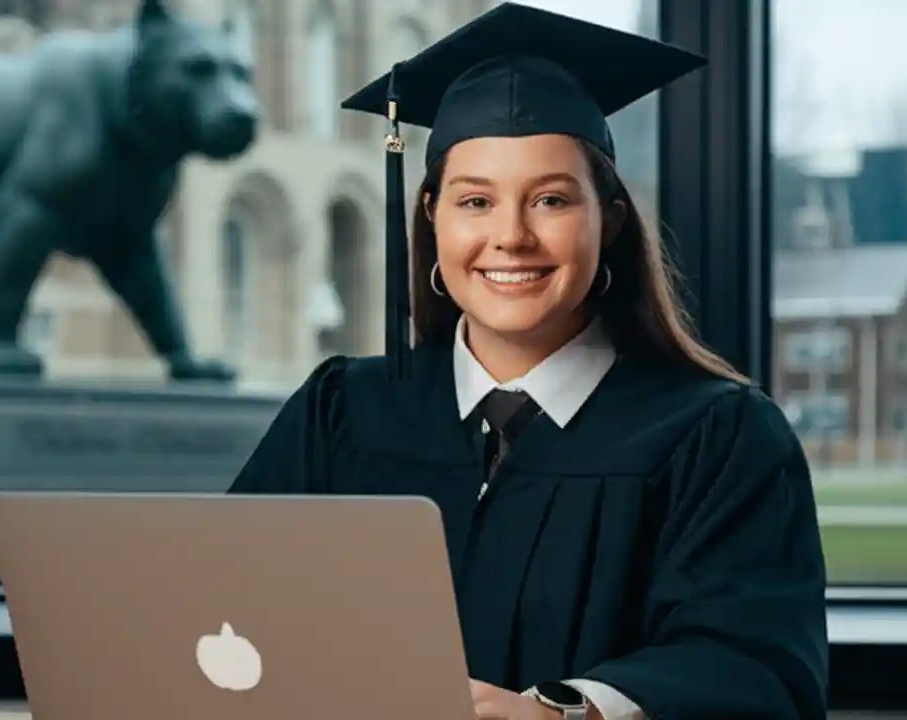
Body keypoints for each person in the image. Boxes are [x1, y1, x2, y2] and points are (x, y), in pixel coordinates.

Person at [228, 3, 829, 719]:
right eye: (475, 200)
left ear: (608, 218)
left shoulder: (718, 438)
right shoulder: (342, 413)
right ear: (432, 217)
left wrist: (573, 712)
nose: (510, 237)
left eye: (550, 199)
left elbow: (758, 671)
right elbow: (225, 602)